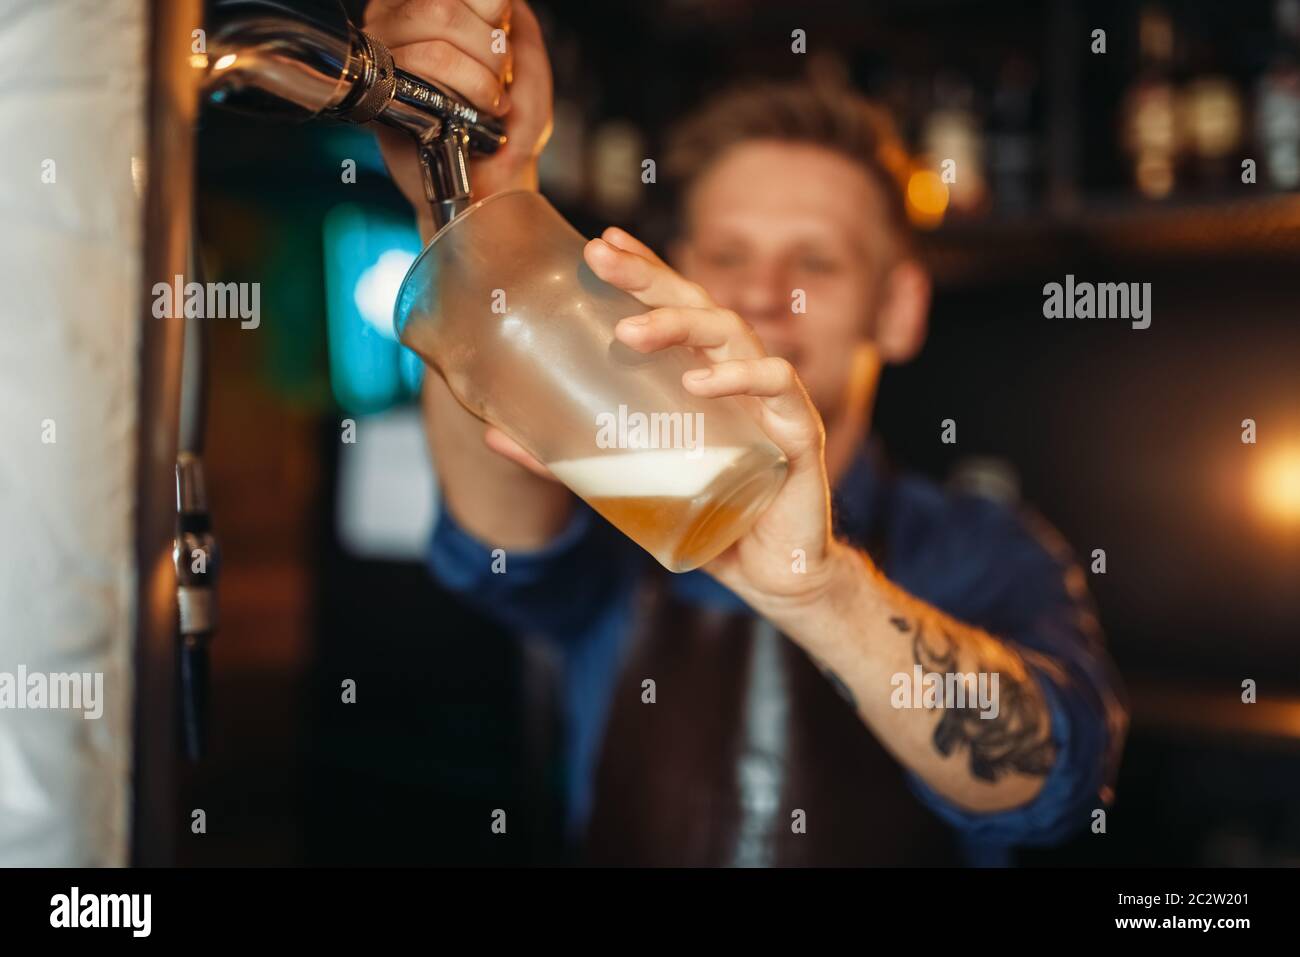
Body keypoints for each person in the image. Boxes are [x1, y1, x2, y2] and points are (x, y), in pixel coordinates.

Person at [366, 0, 1128, 865]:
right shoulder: (625, 520)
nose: (768, 293)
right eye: (728, 256)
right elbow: (496, 537)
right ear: (669, 278)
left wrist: (820, 589)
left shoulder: (987, 549)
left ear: (900, 307)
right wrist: (479, 208)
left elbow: (1057, 782)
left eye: (816, 261)